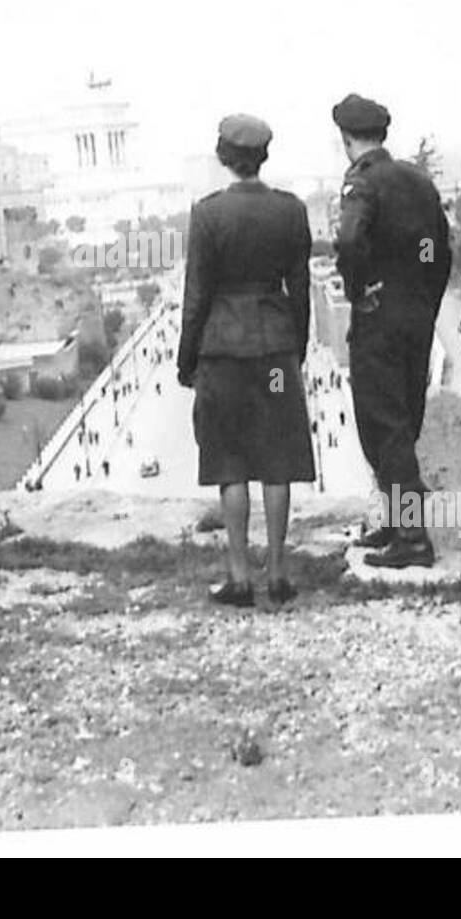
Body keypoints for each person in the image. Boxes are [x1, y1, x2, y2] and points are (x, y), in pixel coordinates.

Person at [177, 114, 315, 607]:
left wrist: (185, 359)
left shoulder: (208, 214)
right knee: (278, 459)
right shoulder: (292, 210)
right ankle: (278, 574)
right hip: (275, 351)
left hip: (222, 351)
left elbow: (196, 296)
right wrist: (294, 347)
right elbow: (301, 290)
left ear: (223, 157)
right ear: (264, 157)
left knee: (229, 462)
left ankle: (238, 577)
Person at [332, 93, 451, 569]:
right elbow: (435, 248)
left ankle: (413, 538)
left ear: (346, 139)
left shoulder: (362, 183)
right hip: (415, 315)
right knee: (404, 418)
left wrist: (359, 289)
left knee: (384, 424)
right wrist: (425, 296)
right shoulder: (417, 181)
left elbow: (349, 241)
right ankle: (396, 520)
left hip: (379, 315)